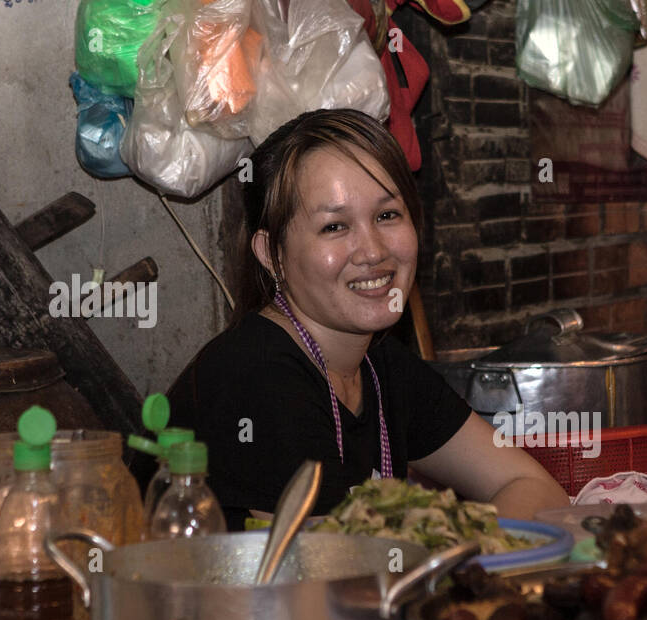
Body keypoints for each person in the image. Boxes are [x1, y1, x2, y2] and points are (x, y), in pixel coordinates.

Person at [164, 110, 568, 528]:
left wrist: (459, 551)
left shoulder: (380, 364)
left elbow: (536, 490)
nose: (373, 251)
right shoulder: (258, 378)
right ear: (272, 254)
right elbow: (328, 572)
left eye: (387, 215)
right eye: (335, 226)